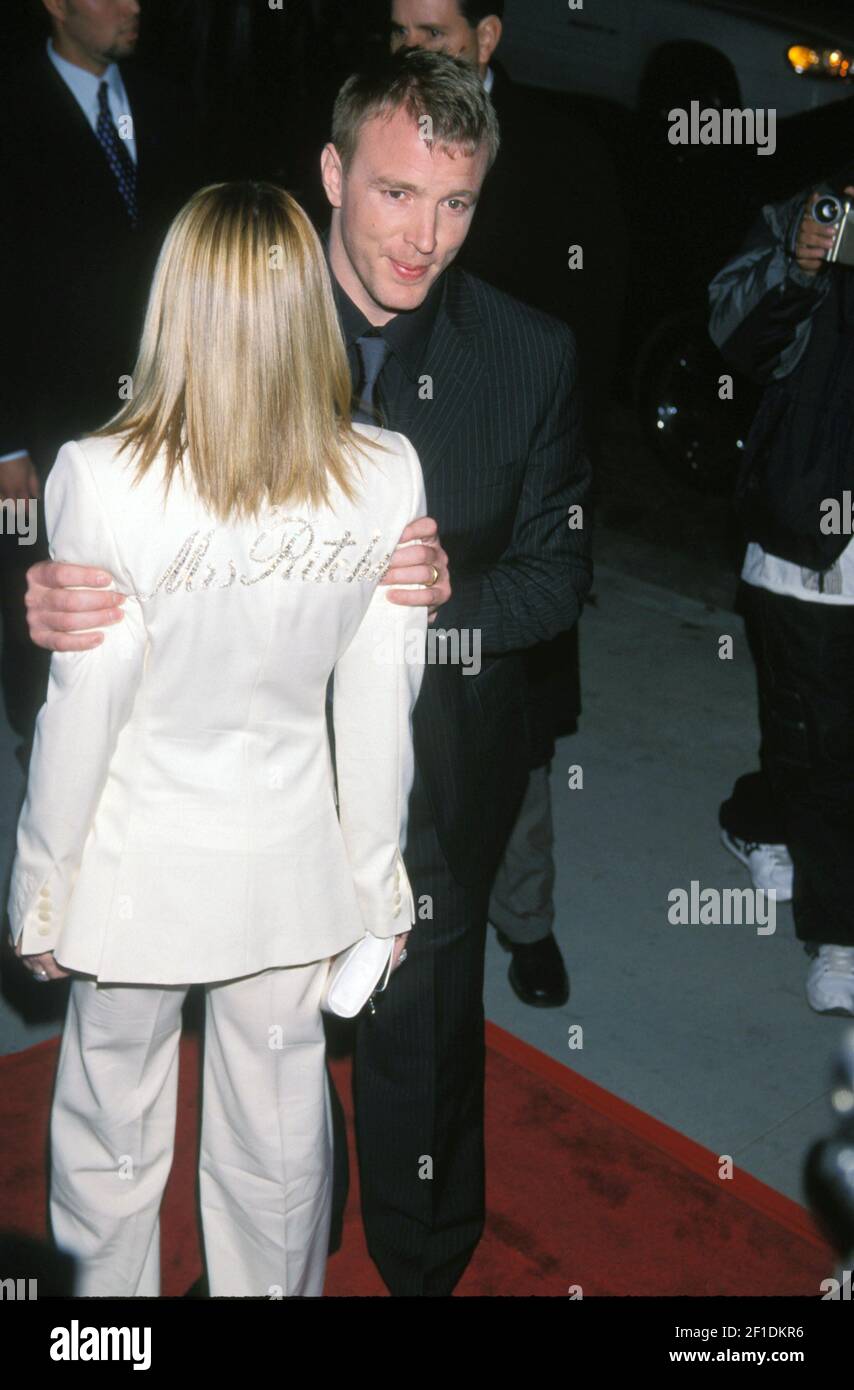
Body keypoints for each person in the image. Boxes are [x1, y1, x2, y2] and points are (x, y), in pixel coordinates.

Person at [23, 49, 592, 1295]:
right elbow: (100, 531)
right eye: (396, 194)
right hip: (263, 811)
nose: (423, 235)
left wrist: (447, 598)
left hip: (400, 771)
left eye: (455, 205)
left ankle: (411, 1263)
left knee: (388, 1062)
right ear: (332, 177)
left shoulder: (526, 354)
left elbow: (557, 578)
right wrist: (43, 583)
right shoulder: (269, 358)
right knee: (275, 1118)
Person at [7, 180, 428, 1296]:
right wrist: (378, 888)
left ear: (173, 305)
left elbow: (80, 710)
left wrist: (41, 885)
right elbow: (381, 709)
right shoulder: (385, 473)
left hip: (134, 875)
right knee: (279, 1146)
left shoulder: (96, 476)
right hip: (288, 872)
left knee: (109, 1139)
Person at [390, 0, 626, 1007]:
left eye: (432, 32)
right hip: (394, 493)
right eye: (396, 28)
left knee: (512, 745)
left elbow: (596, 314)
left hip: (510, 497)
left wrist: (555, 476)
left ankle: (521, 919)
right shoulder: (373, 129)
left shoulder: (560, 152)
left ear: (486, 40)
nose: (411, 47)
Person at [0, 0, 199, 768]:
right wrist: (6, 441)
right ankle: (41, 739)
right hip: (44, 424)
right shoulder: (13, 110)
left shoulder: (164, 102)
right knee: (42, 582)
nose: (135, 6)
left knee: (140, 578)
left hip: (150, 407)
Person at [709, 174, 854, 1017]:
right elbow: (735, 337)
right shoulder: (809, 209)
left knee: (820, 743)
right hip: (812, 543)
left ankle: (760, 820)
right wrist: (798, 273)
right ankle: (839, 934)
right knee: (823, 744)